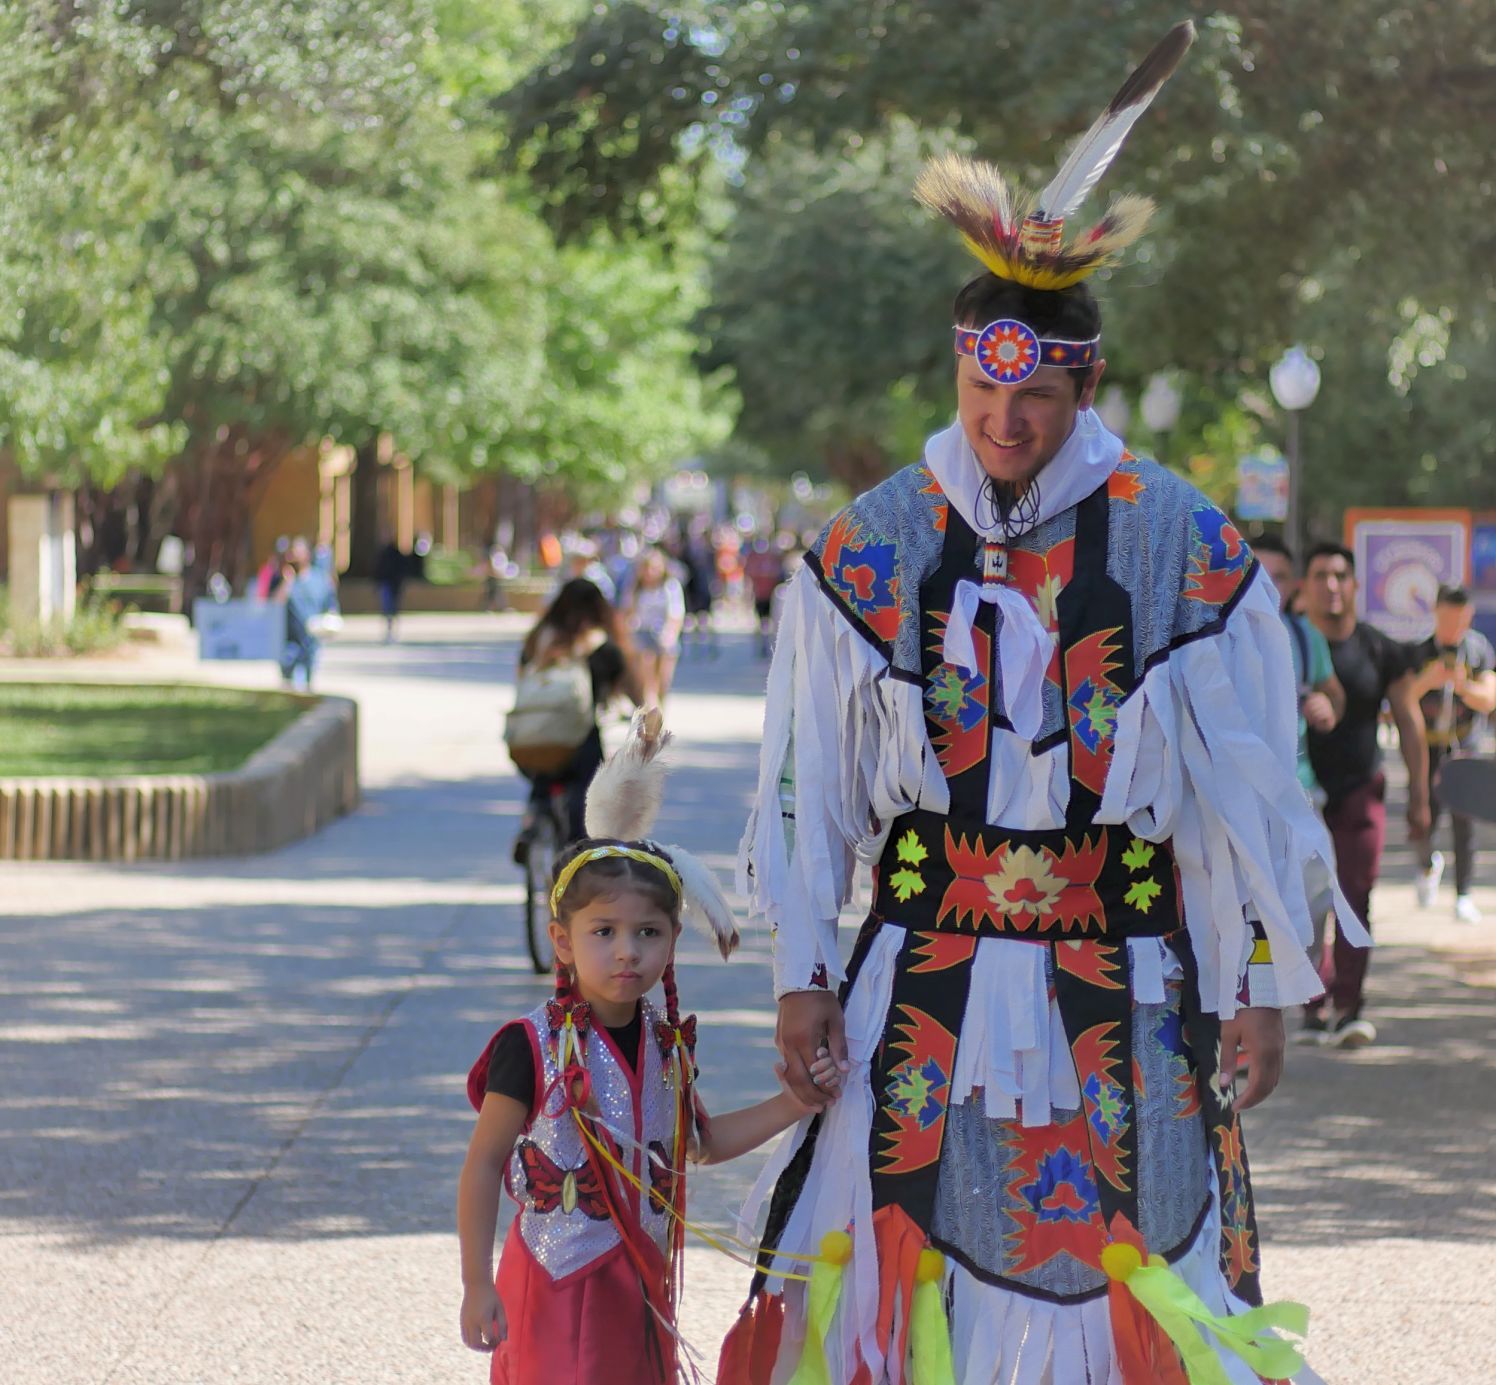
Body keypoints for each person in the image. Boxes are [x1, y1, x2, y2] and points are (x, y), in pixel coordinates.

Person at [723, 23, 1352, 1384]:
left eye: (1036, 393)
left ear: (1089, 381)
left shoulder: (1181, 546)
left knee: (1128, 1284)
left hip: (1123, 985)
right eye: (983, 387)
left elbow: (1243, 800)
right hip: (920, 984)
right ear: (958, 370)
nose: (1005, 418)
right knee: (898, 1281)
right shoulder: (872, 546)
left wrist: (1263, 986)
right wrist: (798, 976)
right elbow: (808, 781)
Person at [457, 717, 839, 1385]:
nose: (628, 949)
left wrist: (794, 1102)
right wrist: (475, 1282)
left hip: (637, 1285)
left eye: (649, 930)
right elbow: (485, 1163)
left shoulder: (666, 1047)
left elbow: (700, 1142)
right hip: (552, 1281)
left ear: (672, 938)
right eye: (603, 930)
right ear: (562, 938)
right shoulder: (531, 1045)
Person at [1302, 541, 1430, 1046]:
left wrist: (1420, 794)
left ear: (1354, 585)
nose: (1331, 585)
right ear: (1305, 586)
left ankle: (1349, 1007)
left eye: (1340, 575)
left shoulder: (1379, 648)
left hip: (1360, 790)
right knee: (1309, 903)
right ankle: (1311, 1003)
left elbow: (1410, 721)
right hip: (1302, 796)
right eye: (1320, 575)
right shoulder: (1288, 644)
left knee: (1355, 896)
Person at [514, 578, 640, 852]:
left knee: (545, 766)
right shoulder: (603, 646)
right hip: (581, 739)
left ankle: (535, 815)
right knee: (589, 792)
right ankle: (578, 847)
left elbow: (522, 677)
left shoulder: (540, 637)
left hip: (530, 739)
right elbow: (632, 688)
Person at [1408, 584, 1496, 922]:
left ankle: (1463, 895)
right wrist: (1427, 680)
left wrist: (1464, 686)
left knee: (1465, 823)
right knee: (1423, 819)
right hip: (1427, 748)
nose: (1453, 628)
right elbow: (1402, 702)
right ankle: (1427, 865)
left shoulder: (1478, 650)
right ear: (1435, 612)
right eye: (1447, 619)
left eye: (1460, 620)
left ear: (1469, 616)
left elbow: (1489, 699)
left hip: (1465, 748)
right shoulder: (1418, 652)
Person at [1252, 536, 1345, 798]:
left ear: (1294, 586)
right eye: (1256, 573)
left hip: (1297, 789)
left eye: (1279, 577)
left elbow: (1335, 695)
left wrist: (1328, 709)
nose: (1266, 585)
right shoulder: (1210, 639)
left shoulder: (1305, 636)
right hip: (1230, 797)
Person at [624, 548, 685, 707]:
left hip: (665, 634)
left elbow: (676, 615)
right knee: (647, 677)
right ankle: (650, 709)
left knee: (663, 681)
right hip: (643, 633)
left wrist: (669, 635)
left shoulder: (670, 586)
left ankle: (660, 707)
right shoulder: (636, 587)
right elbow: (628, 612)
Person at [277, 537, 339, 691]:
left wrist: (331, 622)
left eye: (296, 552)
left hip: (311, 641)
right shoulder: (284, 578)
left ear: (306, 554)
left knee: (308, 685)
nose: (292, 557)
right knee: (288, 683)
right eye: (291, 553)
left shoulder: (320, 579)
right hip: (289, 642)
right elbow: (274, 604)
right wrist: (286, 582)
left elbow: (330, 605)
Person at [742, 538, 786, 657]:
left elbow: (779, 577)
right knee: (762, 623)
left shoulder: (773, 560)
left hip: (771, 596)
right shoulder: (753, 560)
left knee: (770, 623)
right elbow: (749, 579)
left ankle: (768, 645)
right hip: (760, 596)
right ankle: (763, 644)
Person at [373, 534, 408, 644]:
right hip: (387, 584)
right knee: (388, 608)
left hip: (393, 585)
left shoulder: (394, 555)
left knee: (391, 608)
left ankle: (392, 630)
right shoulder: (383, 554)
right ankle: (389, 630)